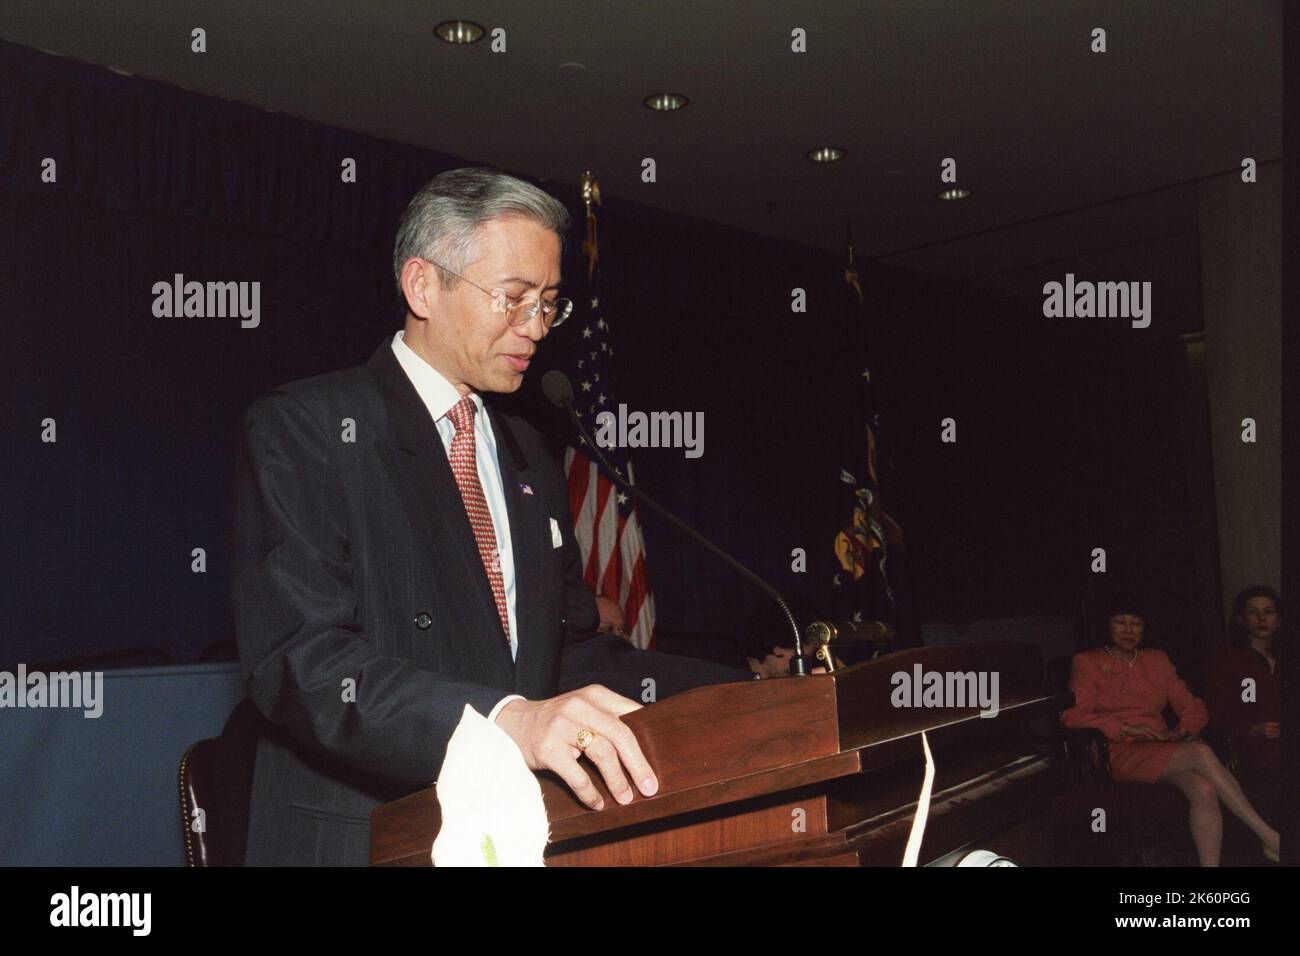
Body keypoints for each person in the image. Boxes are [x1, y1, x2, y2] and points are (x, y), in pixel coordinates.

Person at [232, 168, 746, 865]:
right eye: (513, 298)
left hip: (514, 833)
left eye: (549, 305)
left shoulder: (528, 450)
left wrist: (742, 695)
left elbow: (565, 653)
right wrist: (510, 721)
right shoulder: (309, 427)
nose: (534, 328)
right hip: (365, 835)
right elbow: (303, 662)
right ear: (423, 286)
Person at [1061, 594, 1280, 865]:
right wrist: (1127, 728)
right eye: (1120, 622)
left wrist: (1182, 730)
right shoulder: (1087, 662)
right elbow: (1073, 716)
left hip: (1160, 748)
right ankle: (1268, 836)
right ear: (1107, 626)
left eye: (1136, 623)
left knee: (1203, 789)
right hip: (1113, 751)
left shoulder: (1157, 659)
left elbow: (1194, 707)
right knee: (1200, 752)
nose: (1129, 630)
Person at [1206, 585, 1281, 827]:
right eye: (1253, 612)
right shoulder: (1228, 660)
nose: (1261, 618)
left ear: (1279, 620)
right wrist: (1251, 729)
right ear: (1241, 619)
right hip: (1253, 746)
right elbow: (1217, 713)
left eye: (1268, 612)